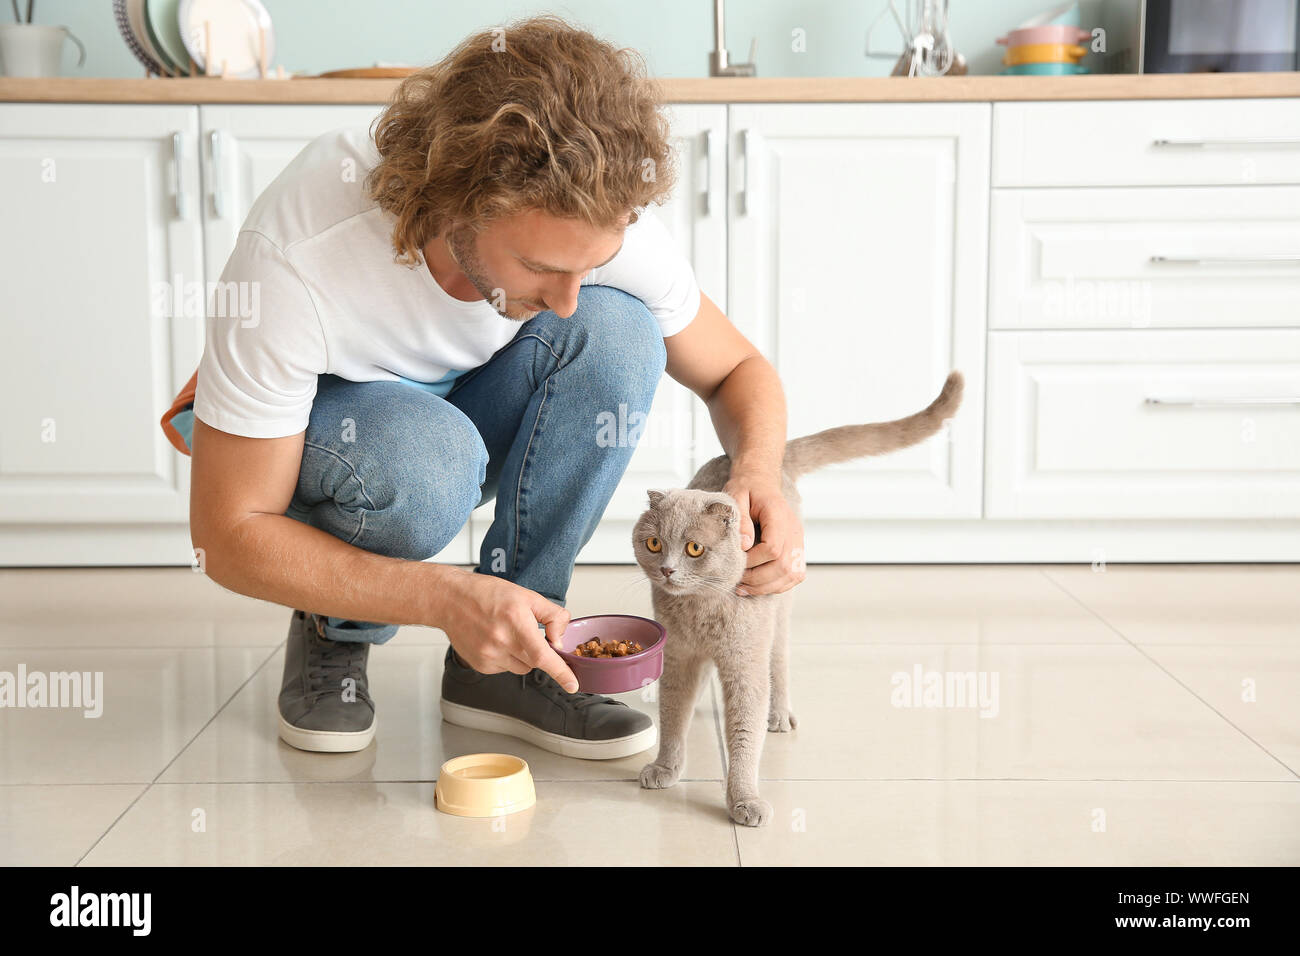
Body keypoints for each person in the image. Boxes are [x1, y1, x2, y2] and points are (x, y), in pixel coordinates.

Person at [159, 15, 807, 759]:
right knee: (427, 460)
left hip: (465, 419)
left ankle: (507, 656)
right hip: (358, 447)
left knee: (621, 331)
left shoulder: (591, 230)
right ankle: (334, 629)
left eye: (588, 266)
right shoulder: (300, 251)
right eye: (541, 267)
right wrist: (443, 597)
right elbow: (227, 534)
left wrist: (758, 478)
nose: (568, 296)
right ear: (461, 202)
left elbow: (738, 371)